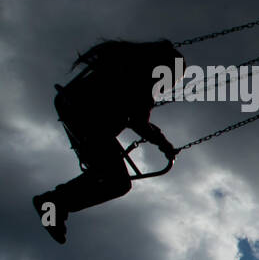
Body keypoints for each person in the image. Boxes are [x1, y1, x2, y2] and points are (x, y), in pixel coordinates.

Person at [33, 40, 182, 243]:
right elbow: (139, 121)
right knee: (118, 184)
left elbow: (137, 118)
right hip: (92, 125)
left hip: (81, 118)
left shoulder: (123, 68)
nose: (169, 84)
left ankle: (54, 205)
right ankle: (53, 203)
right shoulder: (140, 81)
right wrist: (163, 144)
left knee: (105, 177)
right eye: (172, 78)